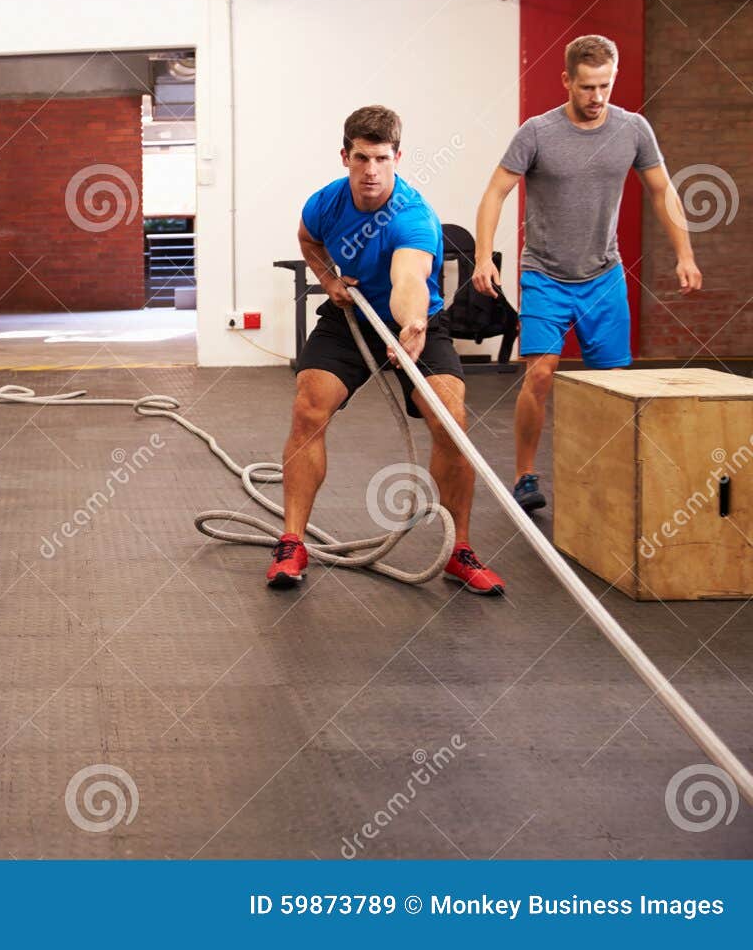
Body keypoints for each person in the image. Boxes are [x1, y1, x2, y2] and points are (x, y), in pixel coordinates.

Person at [267, 105, 502, 596]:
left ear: (398, 156)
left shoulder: (414, 216)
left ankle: (459, 549)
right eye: (361, 159)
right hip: (350, 316)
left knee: (450, 421)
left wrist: (412, 324)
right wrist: (328, 278)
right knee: (309, 408)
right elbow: (308, 240)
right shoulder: (325, 203)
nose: (371, 171)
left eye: (380, 158)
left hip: (415, 319)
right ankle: (291, 542)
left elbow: (408, 279)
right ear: (345, 157)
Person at [471, 34, 701, 513]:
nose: (597, 98)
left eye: (605, 86)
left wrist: (685, 253)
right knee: (540, 375)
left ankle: (606, 474)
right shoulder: (537, 132)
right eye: (587, 87)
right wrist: (483, 257)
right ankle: (524, 476)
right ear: (567, 82)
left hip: (603, 275)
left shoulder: (633, 129)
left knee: (612, 384)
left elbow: (663, 192)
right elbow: (495, 192)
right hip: (545, 274)